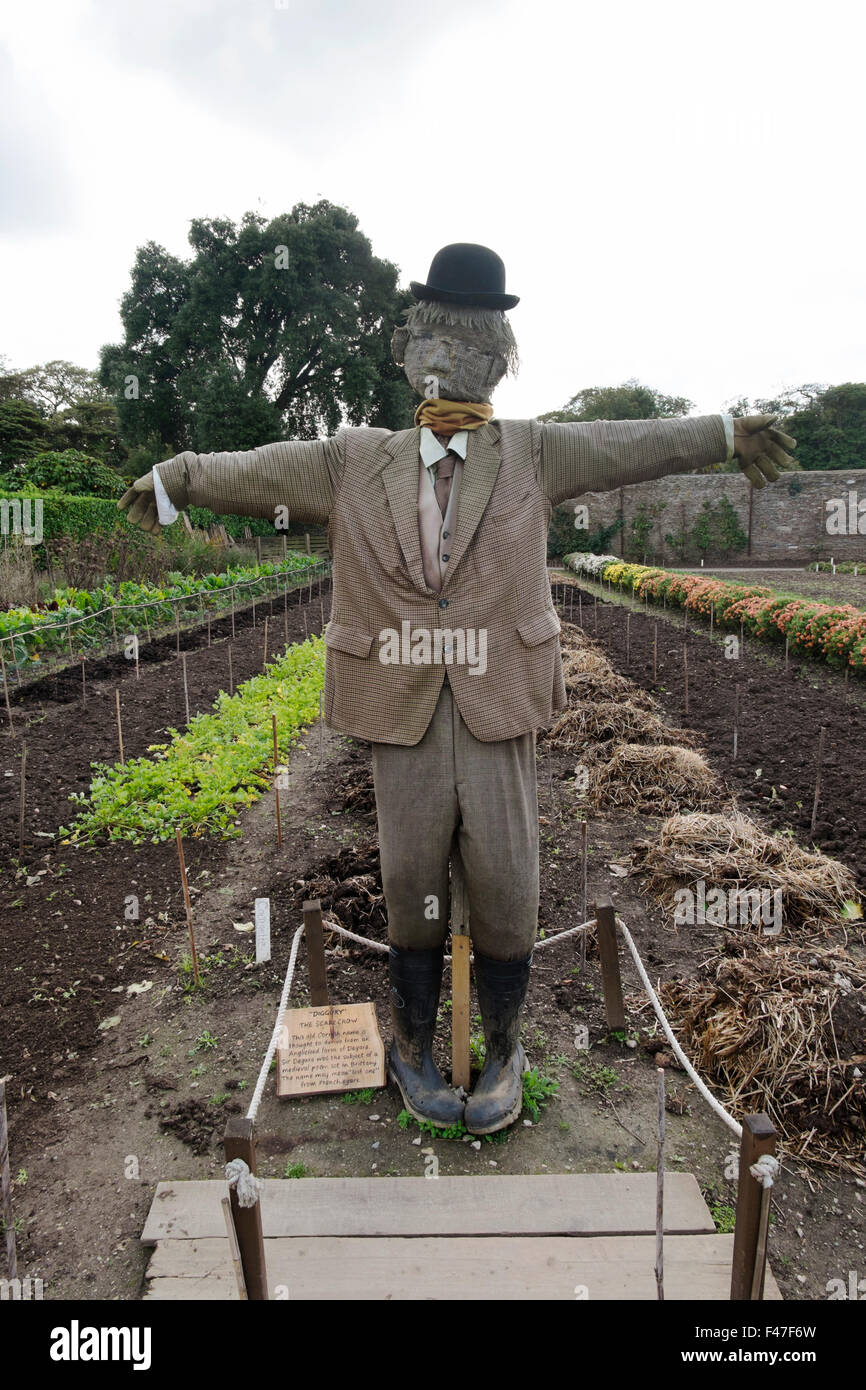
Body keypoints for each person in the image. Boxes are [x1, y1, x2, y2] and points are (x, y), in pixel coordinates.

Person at [118, 242, 796, 1133]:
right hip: (398, 703)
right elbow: (259, 468)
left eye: (472, 342)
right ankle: (410, 1046)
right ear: (410, 352)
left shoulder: (534, 453)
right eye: (436, 339)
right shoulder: (354, 459)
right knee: (408, 880)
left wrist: (718, 434)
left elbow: (628, 445)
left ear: (496, 357)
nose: (450, 358)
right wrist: (178, 476)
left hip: (498, 699)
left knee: (509, 881)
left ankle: (506, 1048)